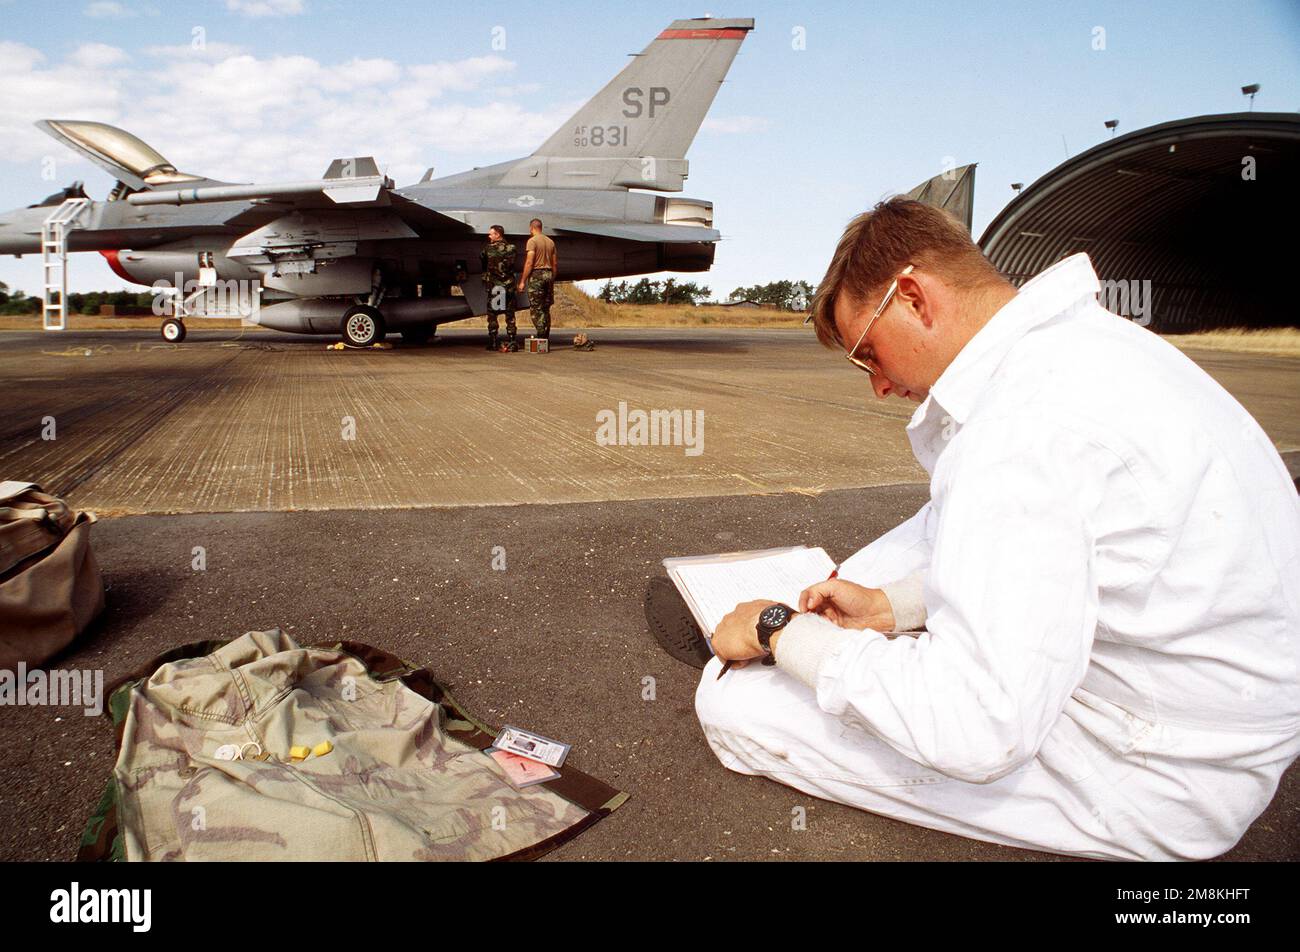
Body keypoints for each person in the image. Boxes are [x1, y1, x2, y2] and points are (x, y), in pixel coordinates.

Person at [693, 197, 1300, 861]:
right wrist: (893, 606)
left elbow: (978, 729)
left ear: (914, 298)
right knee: (924, 546)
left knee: (737, 703)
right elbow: (1077, 552)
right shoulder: (1091, 351)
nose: (877, 386)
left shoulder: (1018, 432)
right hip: (1223, 718)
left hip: (1162, 776)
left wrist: (780, 630)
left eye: (867, 353)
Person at [518, 218, 557, 342]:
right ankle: (546, 337)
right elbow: (555, 264)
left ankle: (541, 337)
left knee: (536, 308)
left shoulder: (532, 241)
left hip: (537, 275)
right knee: (546, 308)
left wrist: (523, 281)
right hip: (549, 274)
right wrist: (552, 278)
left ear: (531, 228)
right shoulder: (550, 242)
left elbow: (529, 262)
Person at [480, 225, 518, 351]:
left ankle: (493, 341)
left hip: (495, 286)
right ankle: (512, 340)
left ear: (498, 234)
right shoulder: (512, 248)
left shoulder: (488, 249)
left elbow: (483, 261)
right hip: (509, 285)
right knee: (510, 314)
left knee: (492, 313)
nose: (489, 236)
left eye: (491, 234)